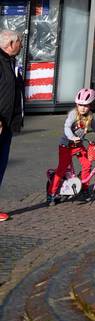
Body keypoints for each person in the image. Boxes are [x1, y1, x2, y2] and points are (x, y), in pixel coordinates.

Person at [47, 87, 95, 203]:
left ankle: (84, 188)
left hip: (78, 145)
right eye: (80, 105)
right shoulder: (73, 114)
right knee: (61, 169)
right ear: (77, 104)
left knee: (87, 164)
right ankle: (52, 193)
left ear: (91, 105)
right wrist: (72, 137)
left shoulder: (89, 115)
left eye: (86, 105)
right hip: (66, 146)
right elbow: (66, 127)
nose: (82, 108)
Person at [0, 30, 24, 221]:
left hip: (7, 126)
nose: (22, 45)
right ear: (10, 43)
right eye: (20, 42)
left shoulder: (11, 62)